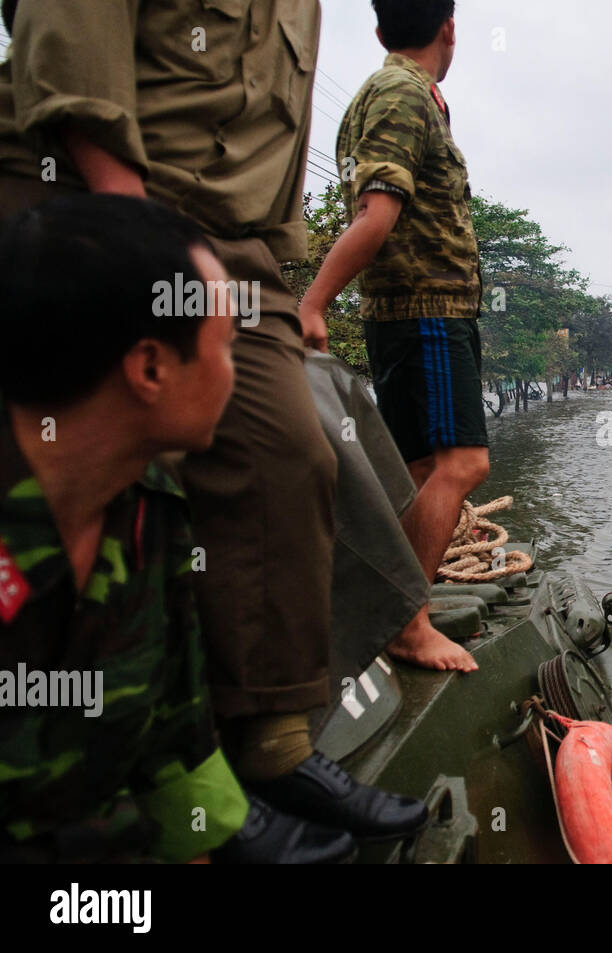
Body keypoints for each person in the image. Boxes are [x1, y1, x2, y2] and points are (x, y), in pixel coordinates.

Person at [0, 1, 430, 844]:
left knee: (285, 453)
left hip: (237, 247)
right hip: (83, 180)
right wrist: (140, 248)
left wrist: (278, 290)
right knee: (93, 473)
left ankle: (263, 744)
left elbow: (273, 149)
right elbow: (72, 51)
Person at [0, 195, 352, 863]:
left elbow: (173, 739)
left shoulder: (149, 509)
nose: (237, 371)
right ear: (151, 368)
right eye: (226, 345)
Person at [300, 0, 484, 670]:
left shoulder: (394, 95)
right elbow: (378, 215)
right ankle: (406, 623)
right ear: (449, 30)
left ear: (380, 31)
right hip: (425, 311)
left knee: (418, 472)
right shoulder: (402, 95)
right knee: (463, 464)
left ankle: (397, 613)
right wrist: (314, 301)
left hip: (419, 312)